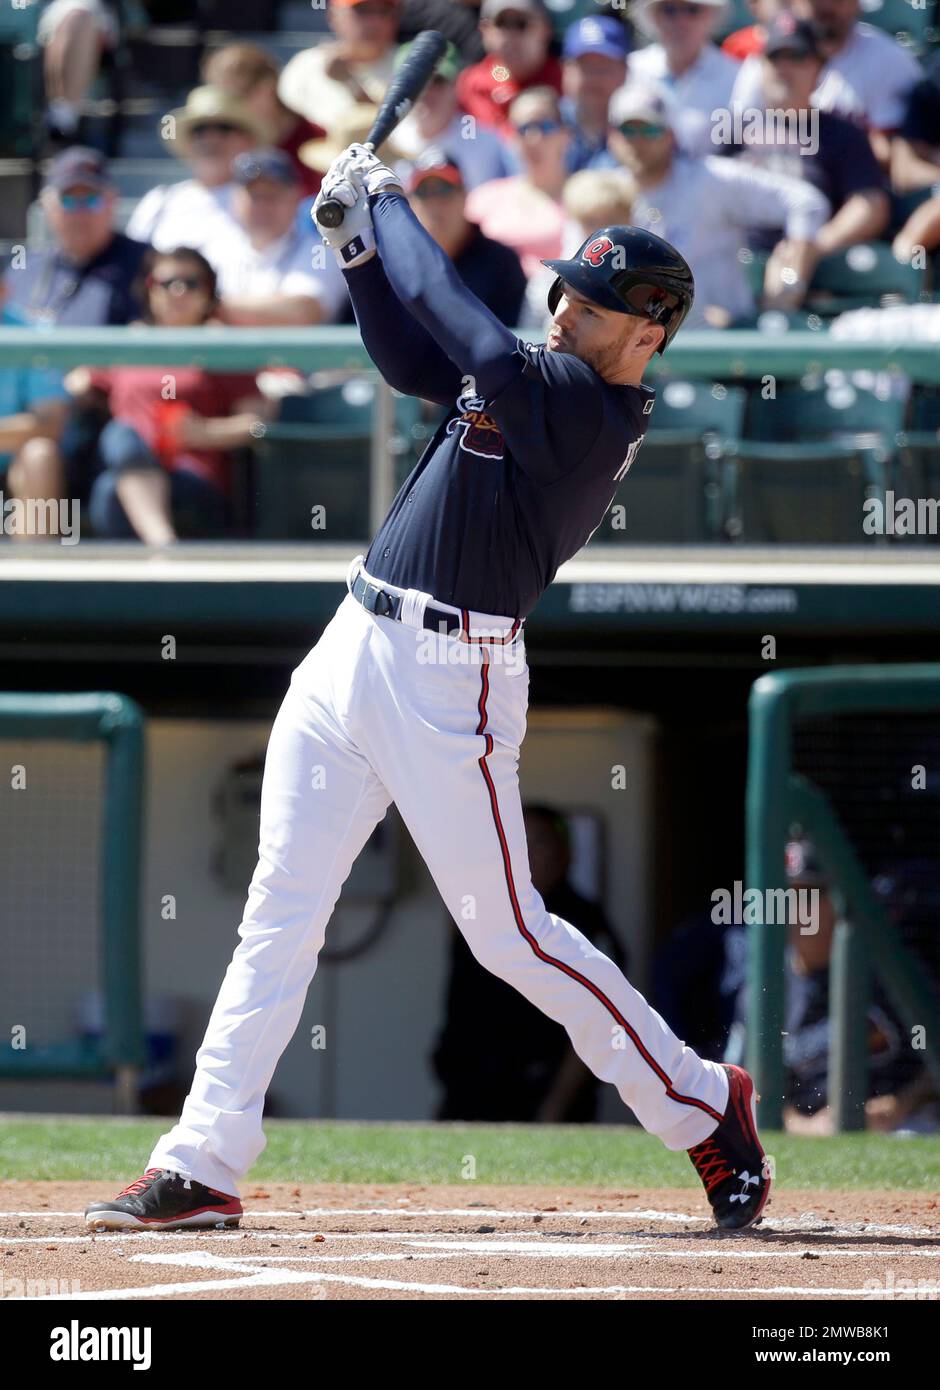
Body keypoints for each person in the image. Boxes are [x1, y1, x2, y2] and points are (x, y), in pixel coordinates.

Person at [84, 139, 772, 1236]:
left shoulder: (592, 414)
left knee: (509, 932)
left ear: (646, 333)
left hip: (458, 671)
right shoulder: (539, 372)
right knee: (279, 908)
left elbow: (466, 328)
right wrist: (360, 248)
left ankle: (700, 1098)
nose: (566, 315)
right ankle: (205, 1154)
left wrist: (389, 199)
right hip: (351, 640)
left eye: (592, 309)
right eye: (565, 296)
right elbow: (416, 357)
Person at [433, 805, 626, 1121]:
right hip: (468, 1092)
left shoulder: (584, 925)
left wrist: (556, 1105)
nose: (525, 853)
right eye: (514, 841)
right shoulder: (478, 915)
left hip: (542, 1098)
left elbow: (600, 1019)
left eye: (538, 841)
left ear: (564, 853)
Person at [724, 839, 931, 1134]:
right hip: (802, 1136)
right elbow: (741, 1095)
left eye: (807, 895)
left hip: (898, 1127)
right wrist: (806, 1126)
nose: (794, 910)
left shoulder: (894, 975)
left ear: (841, 901)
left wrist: (900, 1104)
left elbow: (931, 1069)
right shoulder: (762, 990)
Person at [67, 248, 272, 544]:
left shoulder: (221, 344)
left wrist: (205, 432)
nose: (177, 292)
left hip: (193, 476)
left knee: (114, 474)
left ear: (208, 292)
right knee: (118, 449)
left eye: (190, 283)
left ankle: (162, 551)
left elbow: (258, 424)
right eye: (166, 283)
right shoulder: (129, 342)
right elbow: (78, 383)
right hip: (125, 470)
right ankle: (163, 546)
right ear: (149, 289)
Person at [2, 147, 151, 517]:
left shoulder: (144, 264)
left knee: (41, 452)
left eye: (92, 198)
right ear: (48, 207)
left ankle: (35, 574)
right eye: (69, 198)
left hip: (96, 417)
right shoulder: (25, 268)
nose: (81, 211)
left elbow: (156, 333)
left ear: (112, 202)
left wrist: (99, 374)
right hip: (22, 408)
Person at [608, 86, 830, 324]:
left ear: (671, 134)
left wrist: (789, 281)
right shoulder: (604, 191)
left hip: (723, 344)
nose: (638, 141)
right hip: (641, 347)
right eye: (628, 130)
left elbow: (806, 202)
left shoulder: (710, 179)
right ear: (612, 137)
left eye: (650, 130)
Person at [721, 16, 889, 258]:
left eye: (796, 57)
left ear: (819, 70)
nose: (783, 68)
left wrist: (812, 246)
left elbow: (870, 205)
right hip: (738, 260)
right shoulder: (735, 129)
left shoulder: (842, 133)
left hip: (811, 273)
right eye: (774, 57)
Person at [730, 0, 923, 167]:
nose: (827, 6)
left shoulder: (890, 61)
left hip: (852, 185)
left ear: (858, 4)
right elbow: (738, 136)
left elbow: (896, 155)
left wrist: (829, 143)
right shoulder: (767, 59)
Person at [210, 148, 349, 326]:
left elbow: (303, 312)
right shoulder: (217, 246)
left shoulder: (321, 248)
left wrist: (208, 306)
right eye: (254, 196)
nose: (263, 206)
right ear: (234, 200)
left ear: (296, 197)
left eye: (273, 196)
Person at [126, 86, 269, 254]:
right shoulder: (159, 203)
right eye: (199, 130)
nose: (210, 138)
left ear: (248, 140)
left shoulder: (266, 202)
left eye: (224, 128)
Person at [407, 155, 527, 326]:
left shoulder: (501, 262)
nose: (435, 204)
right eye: (424, 192)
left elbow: (511, 339)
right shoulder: (393, 261)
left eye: (444, 189)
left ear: (464, 195)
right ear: (410, 201)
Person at [464, 87, 570, 278]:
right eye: (523, 129)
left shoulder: (584, 198)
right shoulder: (484, 198)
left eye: (544, 127)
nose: (533, 138)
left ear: (566, 134)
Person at [200, 43, 328, 199]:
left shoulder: (320, 142)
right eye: (222, 100)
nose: (228, 108)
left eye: (238, 96)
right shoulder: (225, 146)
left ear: (268, 86)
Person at [0, 286, 72, 542]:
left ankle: (31, 571)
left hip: (14, 460)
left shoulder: (29, 334)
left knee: (40, 454)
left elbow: (49, 424)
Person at [625, 0, 741, 155]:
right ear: (653, 16)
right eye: (669, 10)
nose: (681, 21)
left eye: (692, 10)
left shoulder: (737, 76)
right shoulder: (631, 69)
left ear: (711, 16)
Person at [391, 39, 512, 188]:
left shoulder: (486, 144)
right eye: (416, 81)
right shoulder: (386, 140)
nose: (424, 91)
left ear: (456, 86)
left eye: (437, 81)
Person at [278, 0, 401, 131]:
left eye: (383, 11)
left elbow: (403, 136)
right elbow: (281, 132)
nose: (375, 22)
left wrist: (351, 83)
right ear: (333, 15)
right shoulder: (305, 66)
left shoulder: (408, 66)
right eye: (363, 11)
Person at [456, 0, 562, 135]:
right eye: (502, 23)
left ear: (545, 30)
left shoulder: (568, 83)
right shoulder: (468, 87)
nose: (511, 36)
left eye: (520, 24)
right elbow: (465, 142)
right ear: (485, 30)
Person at [38, 0, 120, 149]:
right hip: (34, 8)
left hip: (91, 12)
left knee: (79, 16)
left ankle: (64, 118)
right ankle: (59, 116)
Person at [560, 15, 631, 173]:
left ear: (625, 70)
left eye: (604, 67)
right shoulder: (546, 124)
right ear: (565, 70)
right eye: (586, 67)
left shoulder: (641, 127)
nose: (594, 78)